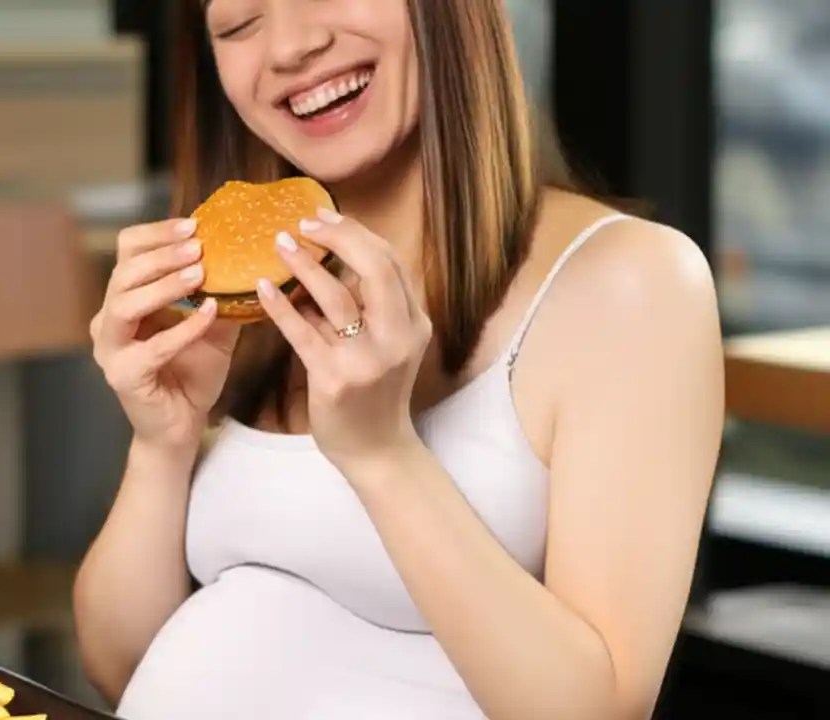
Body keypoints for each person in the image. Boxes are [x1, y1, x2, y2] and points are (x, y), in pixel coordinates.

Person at [74, 1, 725, 718]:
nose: (292, 46)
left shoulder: (631, 282)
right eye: (237, 25)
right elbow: (117, 667)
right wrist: (159, 444)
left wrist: (383, 456)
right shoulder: (252, 298)